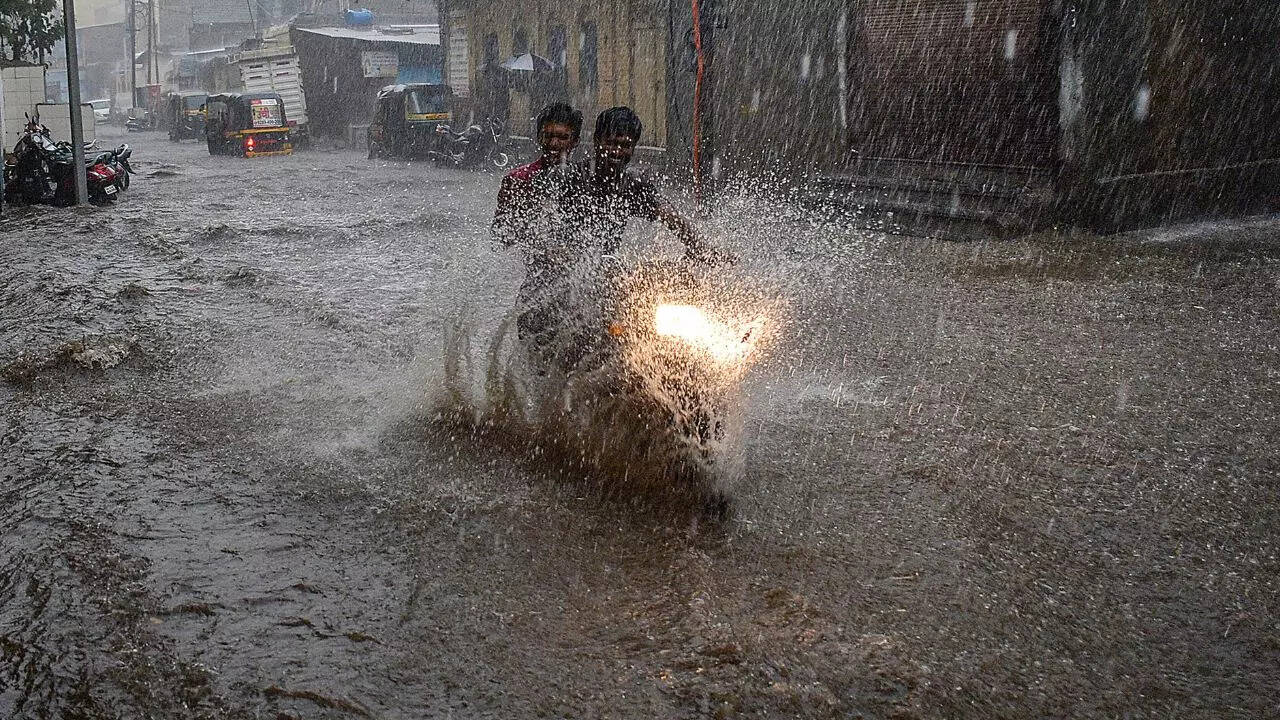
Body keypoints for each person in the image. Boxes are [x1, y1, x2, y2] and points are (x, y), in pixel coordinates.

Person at [557, 106, 728, 264]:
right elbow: (547, 223)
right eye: (610, 143)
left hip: (606, 268)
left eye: (625, 145)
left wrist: (700, 249)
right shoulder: (573, 178)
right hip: (565, 268)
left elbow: (667, 213)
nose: (616, 151)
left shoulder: (631, 185)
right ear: (596, 141)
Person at [491, 102, 583, 253]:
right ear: (540, 138)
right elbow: (499, 236)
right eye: (548, 136)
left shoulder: (583, 180)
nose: (554, 143)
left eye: (562, 137)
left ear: (575, 142)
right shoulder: (518, 179)